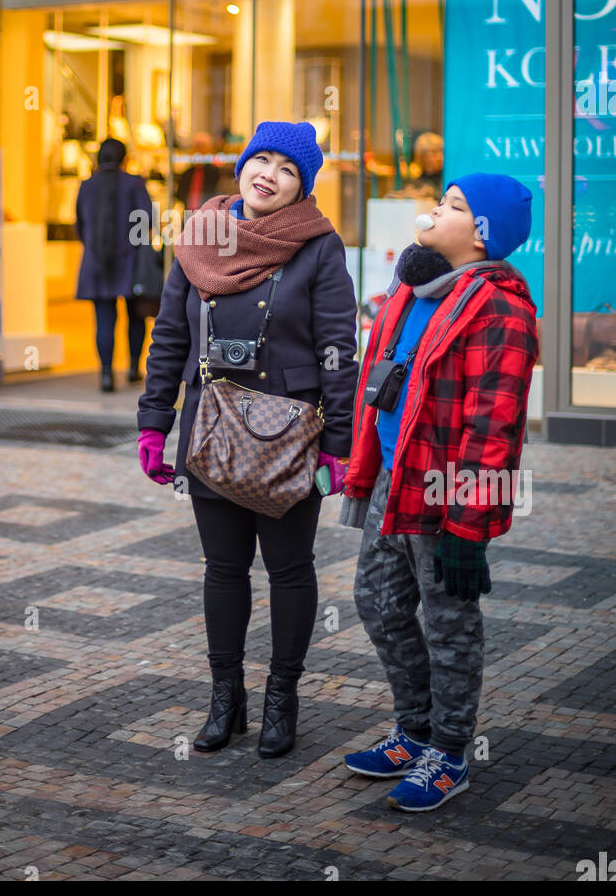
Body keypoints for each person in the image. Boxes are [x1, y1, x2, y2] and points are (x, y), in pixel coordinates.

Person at [136, 121, 358, 758]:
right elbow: (169, 337)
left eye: (287, 169)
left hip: (288, 435)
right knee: (223, 570)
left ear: (302, 187)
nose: (269, 174)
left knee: (290, 570)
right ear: (240, 167)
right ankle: (225, 698)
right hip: (210, 428)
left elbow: (339, 349)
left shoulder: (318, 246)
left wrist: (337, 443)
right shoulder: (196, 236)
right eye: (260, 159)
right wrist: (154, 421)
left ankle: (281, 698)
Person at [339, 172, 538, 811]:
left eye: (452, 205)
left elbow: (495, 424)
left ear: (483, 235)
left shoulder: (500, 306)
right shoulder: (414, 285)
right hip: (392, 480)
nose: (434, 209)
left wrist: (468, 527)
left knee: (450, 624)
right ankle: (414, 729)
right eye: (440, 199)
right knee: (376, 601)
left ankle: (450, 754)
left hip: (443, 494)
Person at [74, 137, 153, 392]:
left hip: (96, 261)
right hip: (129, 259)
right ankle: (132, 368)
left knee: (104, 321)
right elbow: (146, 219)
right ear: (124, 158)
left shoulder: (86, 186)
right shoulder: (134, 183)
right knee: (135, 317)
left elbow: (79, 224)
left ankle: (106, 375)